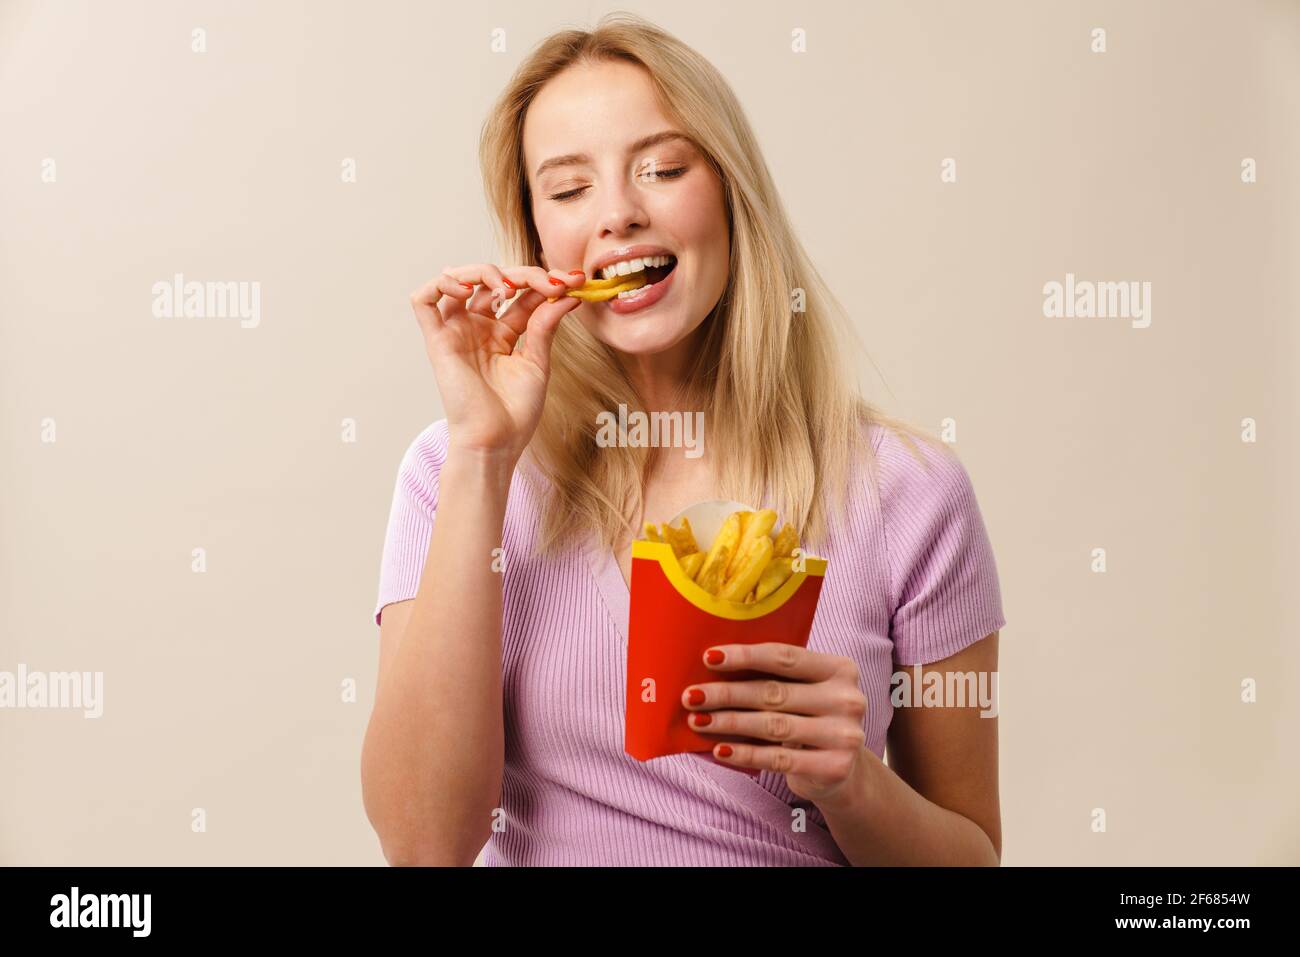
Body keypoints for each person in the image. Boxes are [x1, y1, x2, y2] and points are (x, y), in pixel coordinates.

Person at [361, 12, 1005, 866]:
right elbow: (421, 845)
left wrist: (849, 780)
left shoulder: (909, 489)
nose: (619, 214)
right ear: (538, 239)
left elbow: (972, 856)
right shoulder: (453, 470)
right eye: (567, 189)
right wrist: (484, 457)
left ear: (733, 193)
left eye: (663, 169)